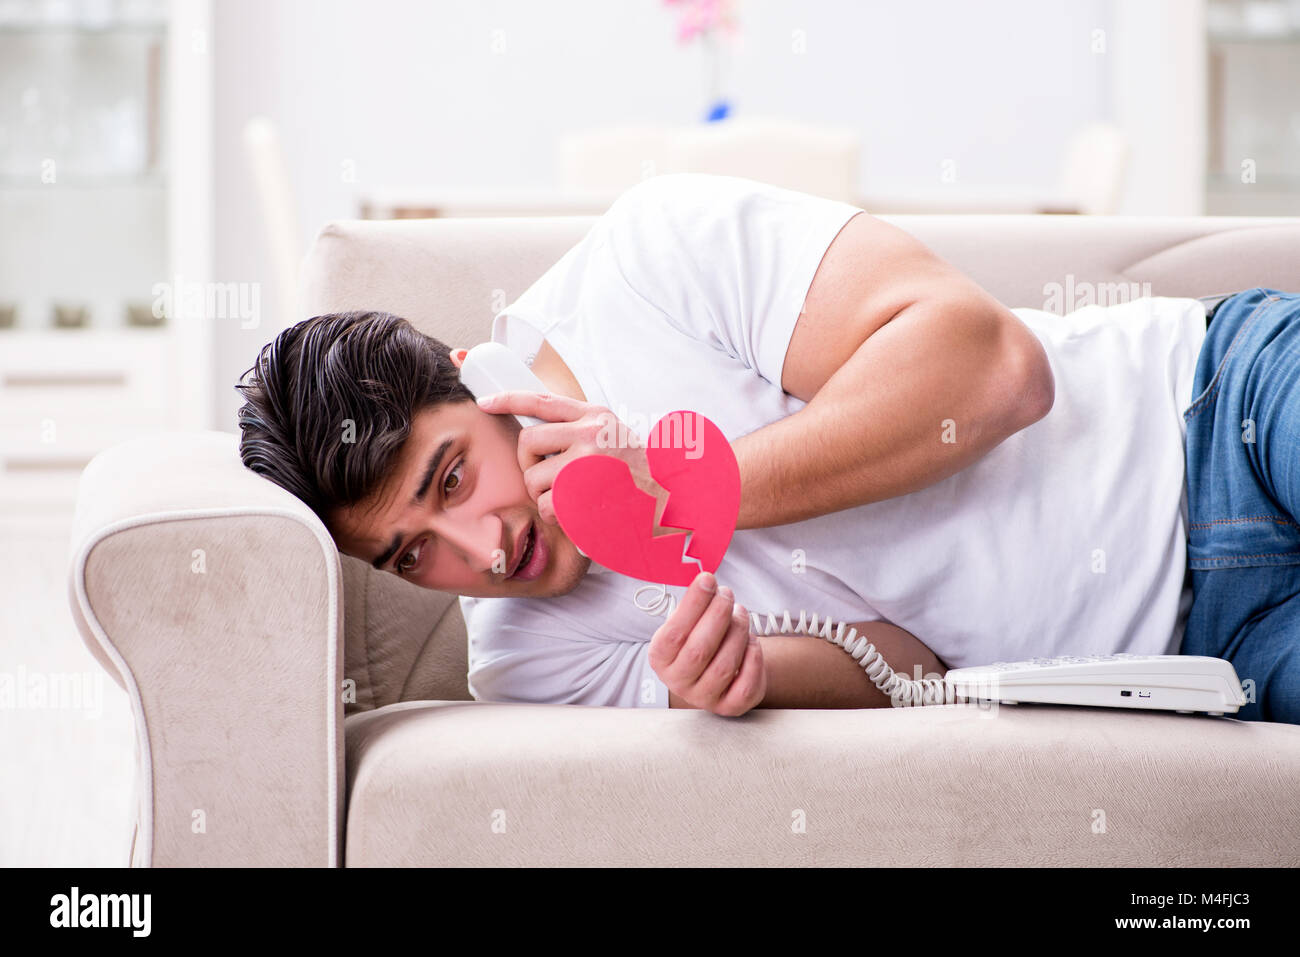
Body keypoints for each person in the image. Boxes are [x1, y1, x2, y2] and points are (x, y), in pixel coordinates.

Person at [235, 172, 1294, 722]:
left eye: (452, 477)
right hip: (1201, 655)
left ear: (483, 381)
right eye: (411, 554)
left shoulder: (646, 263)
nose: (481, 551)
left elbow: (998, 371)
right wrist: (749, 683)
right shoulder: (529, 667)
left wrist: (705, 486)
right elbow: (910, 668)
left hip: (1210, 405)